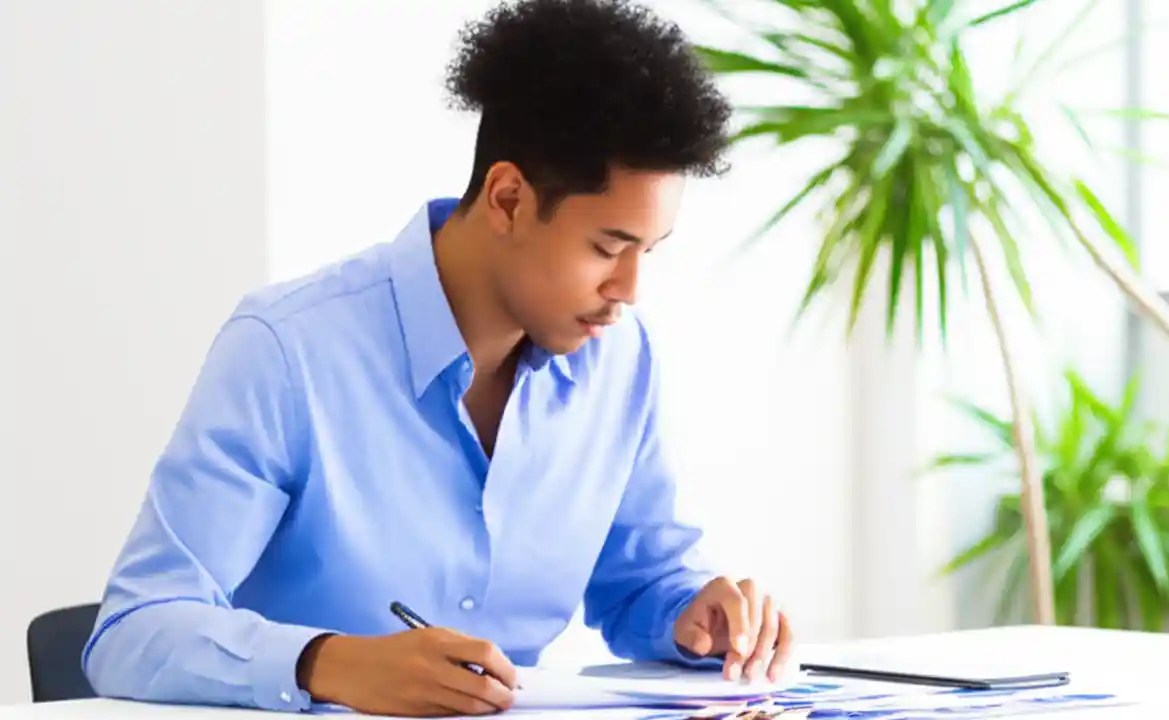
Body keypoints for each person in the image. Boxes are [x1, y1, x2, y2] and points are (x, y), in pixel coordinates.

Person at [82, 0, 793, 716]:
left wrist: (694, 614)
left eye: (649, 252)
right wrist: (330, 664)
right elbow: (133, 630)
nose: (629, 290)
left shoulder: (620, 361)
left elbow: (641, 584)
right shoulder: (288, 350)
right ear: (508, 199)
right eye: (607, 248)